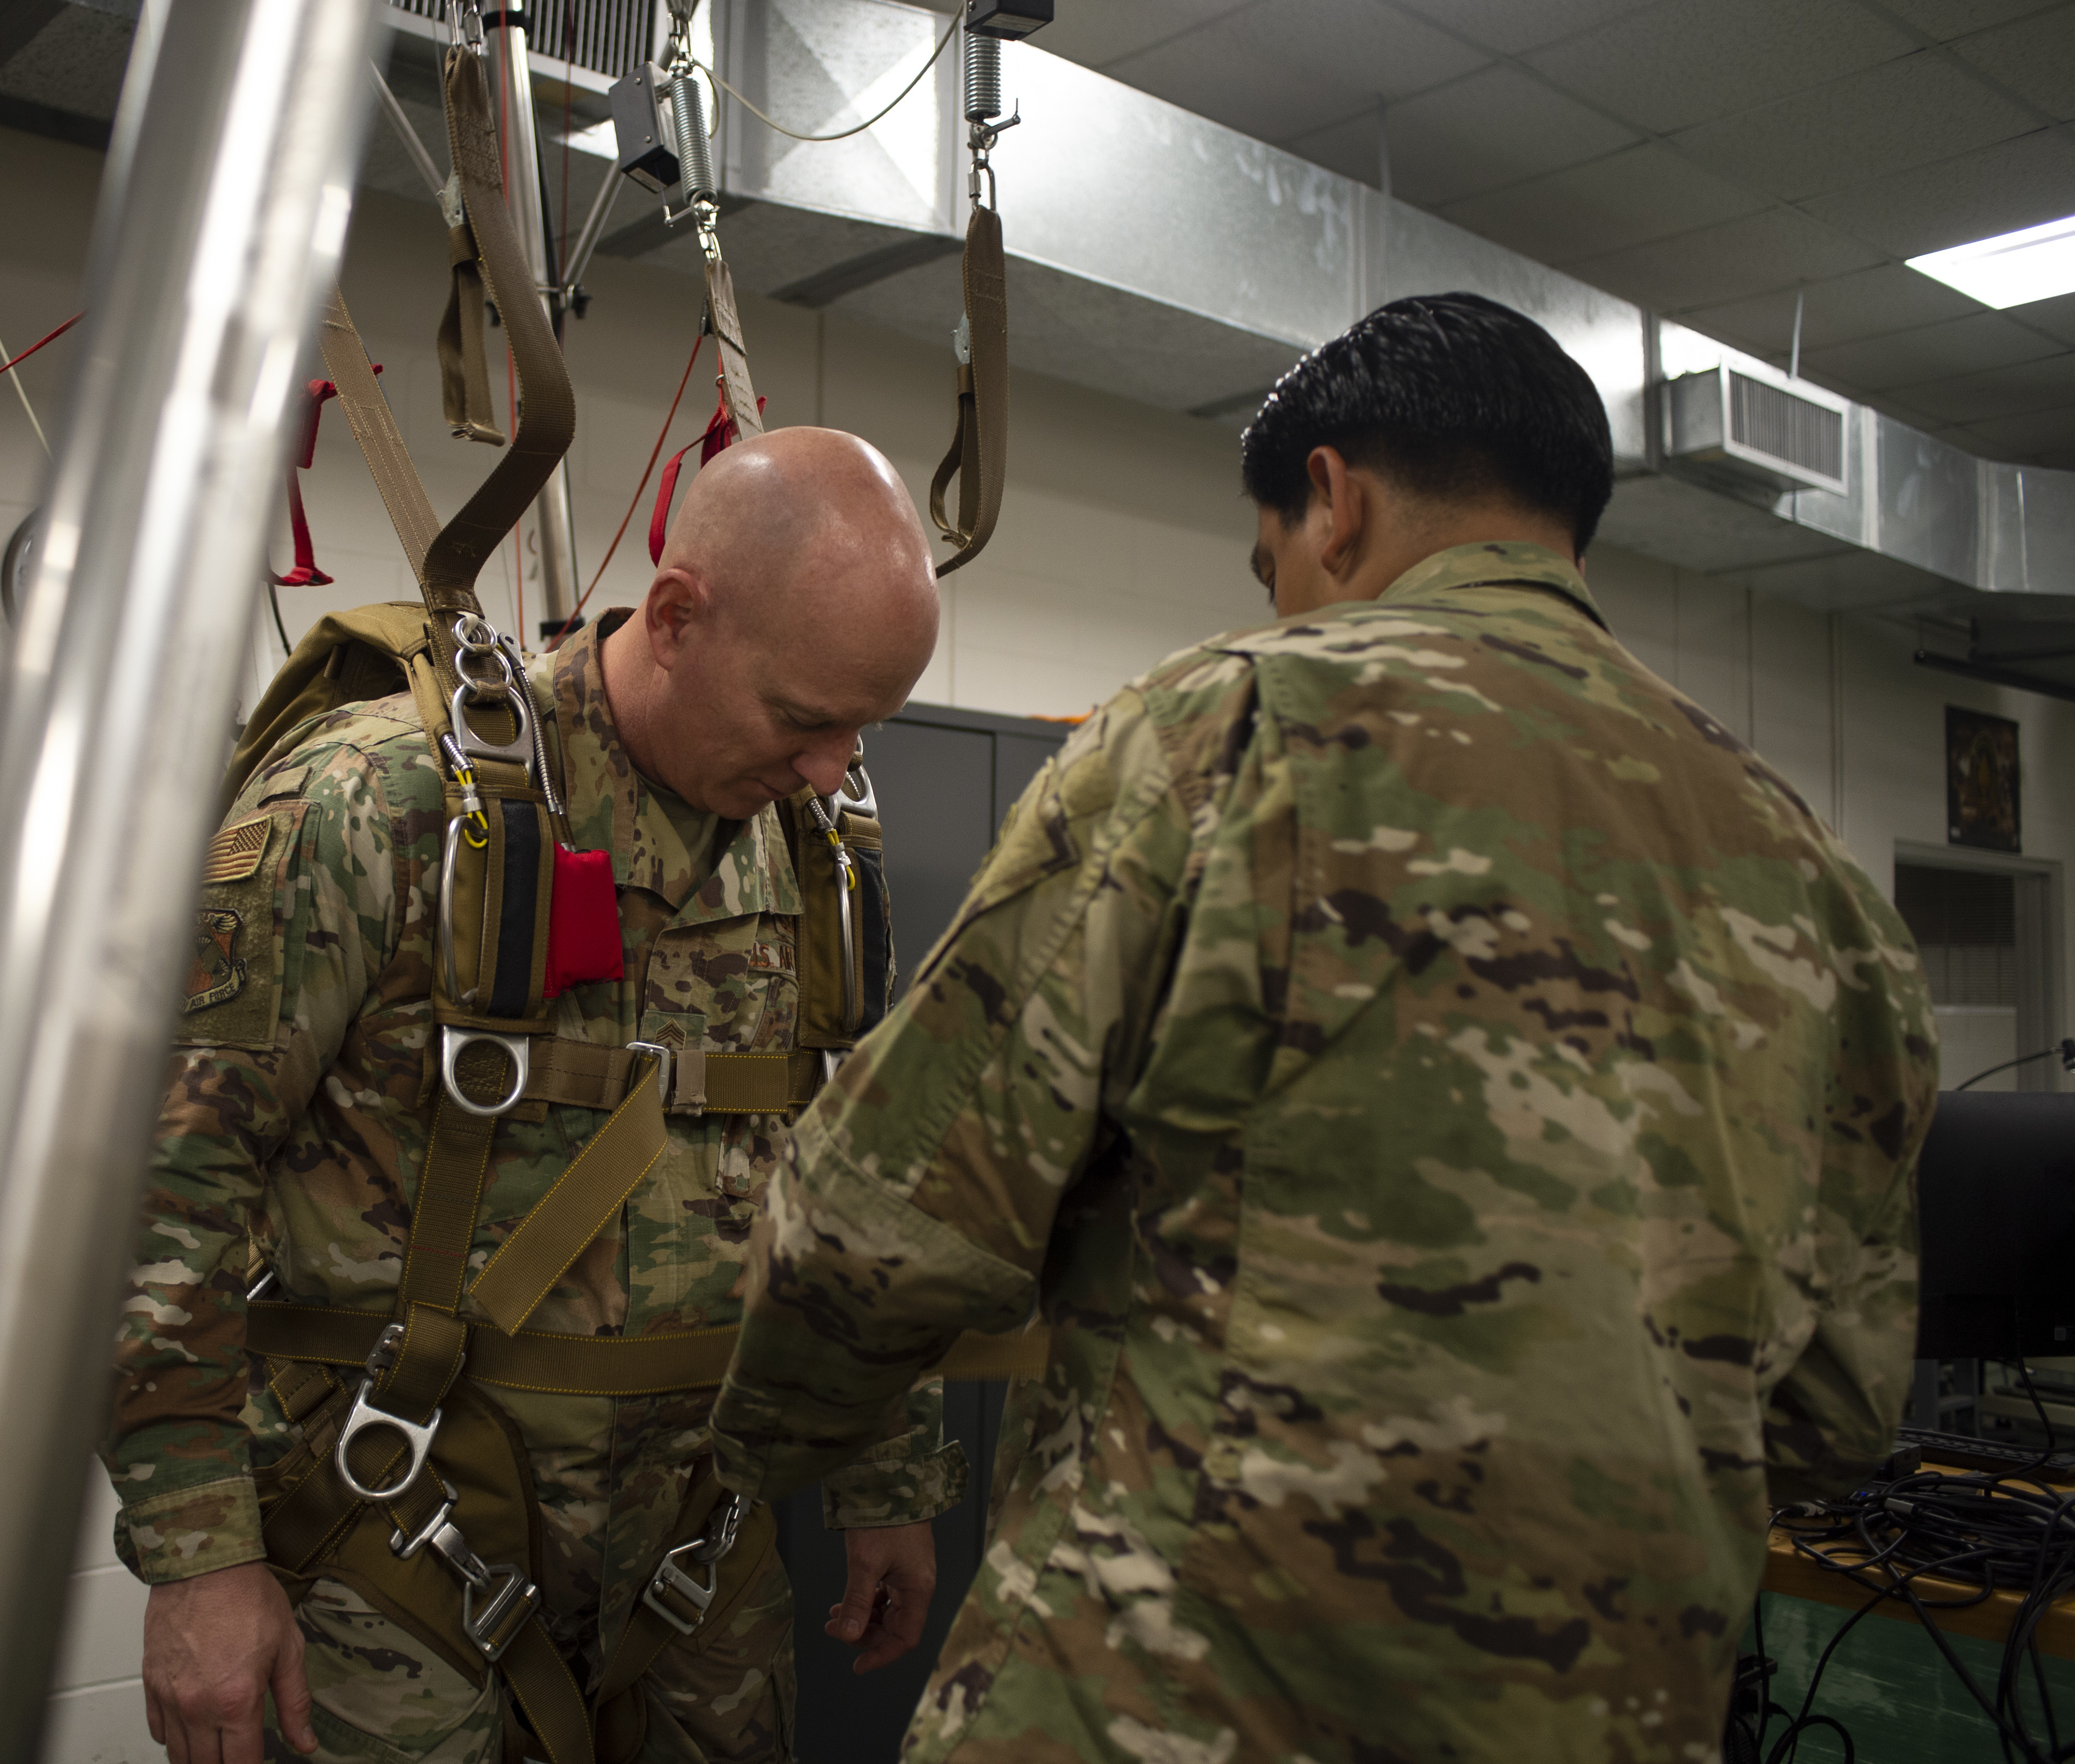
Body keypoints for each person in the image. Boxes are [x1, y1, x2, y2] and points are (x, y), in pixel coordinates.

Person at [708, 294, 1934, 1763]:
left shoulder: (1222, 739)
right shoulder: (1814, 881)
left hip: (1168, 1707)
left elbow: (870, 1226)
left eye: (1272, 559)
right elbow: (1838, 1405)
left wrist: (759, 1455)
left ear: (1333, 503)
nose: (1283, 597)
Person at [105, 425, 963, 1764]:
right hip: (395, 1560)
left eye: (861, 726)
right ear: (676, 617)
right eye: (803, 716)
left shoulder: (816, 857)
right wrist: (198, 1554)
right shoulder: (380, 803)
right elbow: (154, 1184)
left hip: (700, 1567)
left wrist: (885, 1475)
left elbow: (849, 1178)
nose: (829, 766)